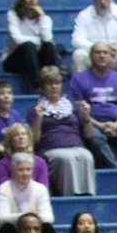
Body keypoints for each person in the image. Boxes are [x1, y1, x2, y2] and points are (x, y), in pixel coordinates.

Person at [29, 68, 97, 197]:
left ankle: (88, 197)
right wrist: (38, 118)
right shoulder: (35, 109)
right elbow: (33, 140)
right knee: (66, 158)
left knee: (87, 156)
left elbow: (88, 135)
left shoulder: (73, 106)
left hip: (76, 145)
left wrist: (87, 116)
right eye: (50, 83)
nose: (54, 87)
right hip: (51, 148)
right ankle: (70, 197)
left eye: (57, 83)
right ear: (43, 87)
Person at [70, 43, 117, 171]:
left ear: (111, 57)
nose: (102, 56)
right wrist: (99, 125)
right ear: (91, 56)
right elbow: (77, 109)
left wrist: (116, 124)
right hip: (91, 124)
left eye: (105, 53)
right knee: (94, 137)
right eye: (98, 52)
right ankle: (116, 169)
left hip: (116, 124)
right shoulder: (78, 79)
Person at [1, 0, 61, 92]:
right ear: (22, 0)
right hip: (15, 59)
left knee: (49, 46)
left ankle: (54, 81)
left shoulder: (45, 19)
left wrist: (42, 17)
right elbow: (18, 39)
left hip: (35, 59)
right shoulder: (12, 15)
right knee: (28, 46)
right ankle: (38, 84)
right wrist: (38, 41)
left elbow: (47, 39)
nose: (32, 0)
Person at [0, 152, 54, 233]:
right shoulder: (4, 188)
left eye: (28, 169)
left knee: (47, 228)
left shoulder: (41, 188)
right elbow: (2, 218)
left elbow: (49, 218)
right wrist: (28, 214)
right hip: (14, 228)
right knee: (6, 227)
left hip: (34, 229)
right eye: (20, 170)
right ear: (13, 171)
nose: (25, 173)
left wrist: (32, 220)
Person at [0, 123, 48, 187]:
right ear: (11, 140)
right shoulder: (3, 164)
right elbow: (4, 187)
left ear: (29, 138)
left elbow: (44, 188)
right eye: (16, 135)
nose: (21, 137)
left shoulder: (40, 162)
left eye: (23, 134)